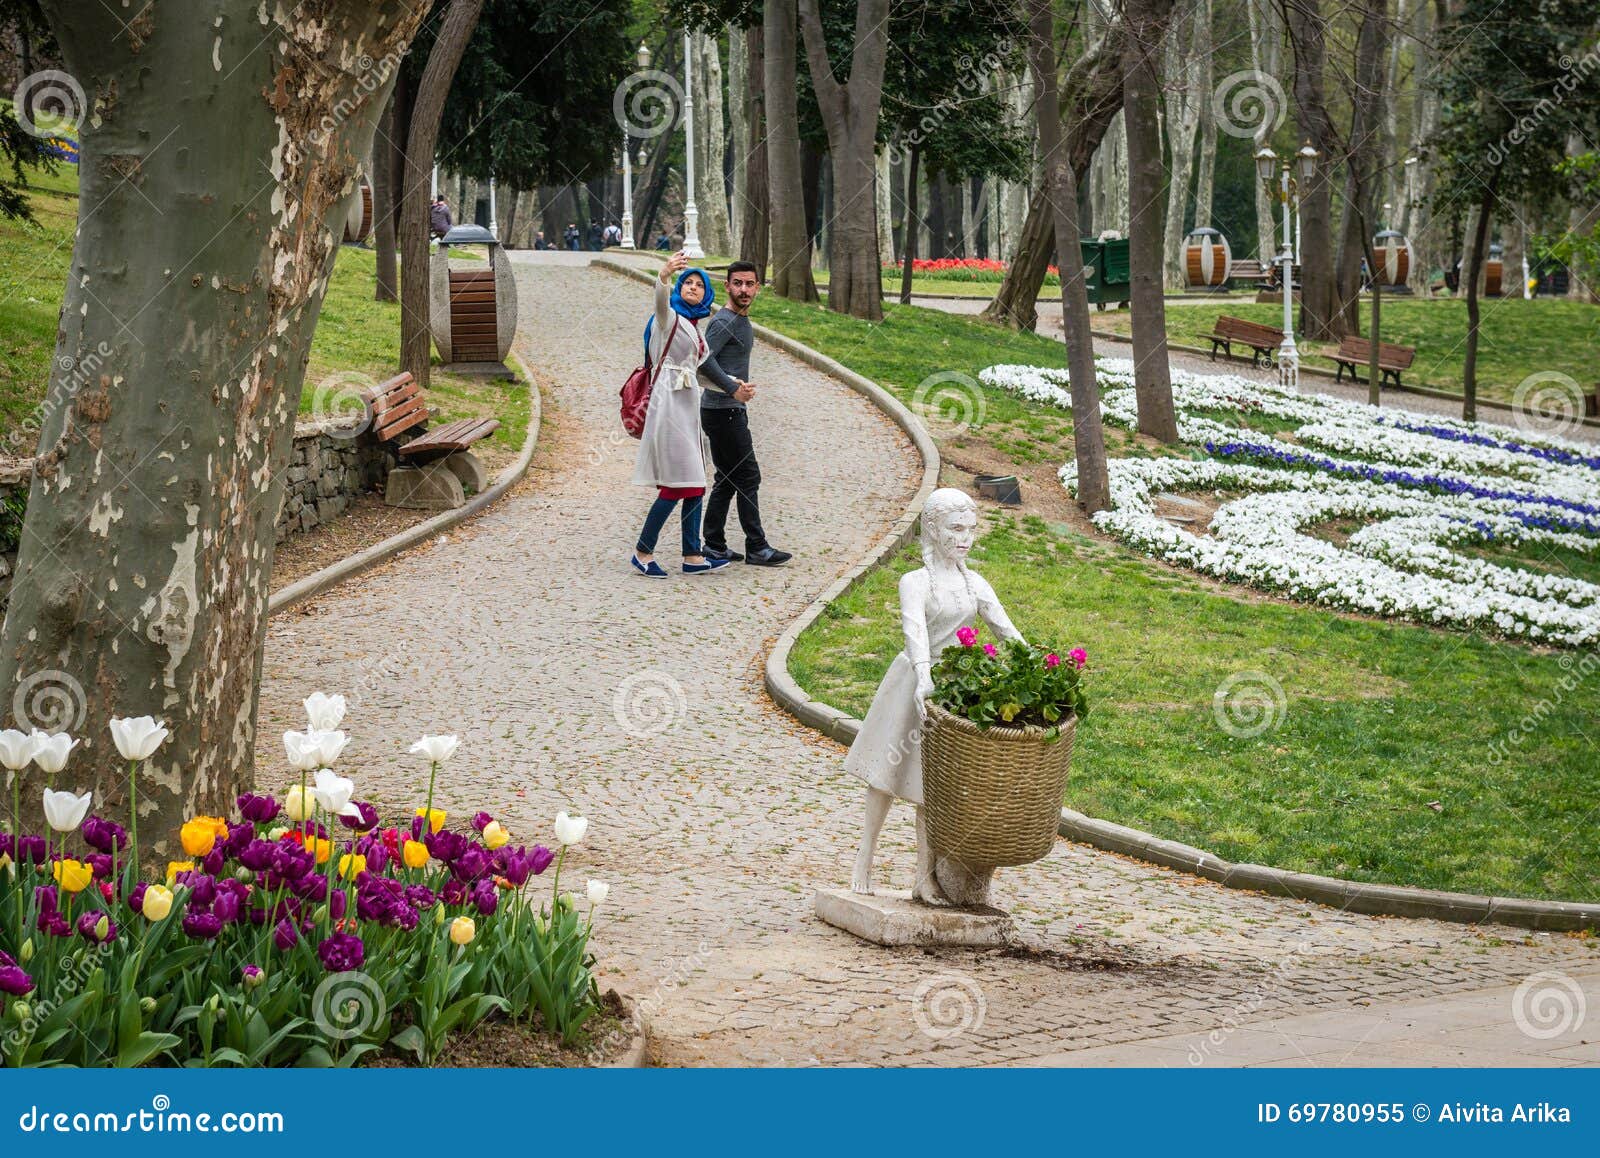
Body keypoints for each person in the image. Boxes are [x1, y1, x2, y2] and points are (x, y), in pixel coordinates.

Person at [844, 488, 1024, 902]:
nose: (964, 538)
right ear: (933, 529)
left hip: (953, 690)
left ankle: (923, 877)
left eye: (971, 530)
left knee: (931, 785)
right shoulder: (915, 581)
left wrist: (1041, 667)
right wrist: (924, 677)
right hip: (913, 682)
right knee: (886, 773)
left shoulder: (974, 584)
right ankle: (864, 857)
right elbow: (915, 633)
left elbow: (1008, 632)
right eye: (955, 529)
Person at [630, 252, 731, 578]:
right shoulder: (669, 318)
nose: (692, 287)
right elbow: (660, 301)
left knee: (695, 483)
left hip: (687, 408)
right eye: (688, 282)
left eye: (699, 285)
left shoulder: (696, 331)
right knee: (676, 485)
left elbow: (699, 372)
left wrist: (734, 388)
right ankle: (643, 551)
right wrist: (664, 275)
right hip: (667, 406)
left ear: (707, 294)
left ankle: (692, 556)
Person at [698, 261, 791, 567]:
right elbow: (702, 360)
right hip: (723, 412)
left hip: (725, 411)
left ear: (757, 288)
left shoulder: (739, 320)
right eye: (737, 283)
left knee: (727, 478)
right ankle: (757, 547)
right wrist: (731, 389)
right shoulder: (725, 321)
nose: (744, 290)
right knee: (748, 476)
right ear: (727, 286)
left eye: (749, 284)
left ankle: (713, 544)